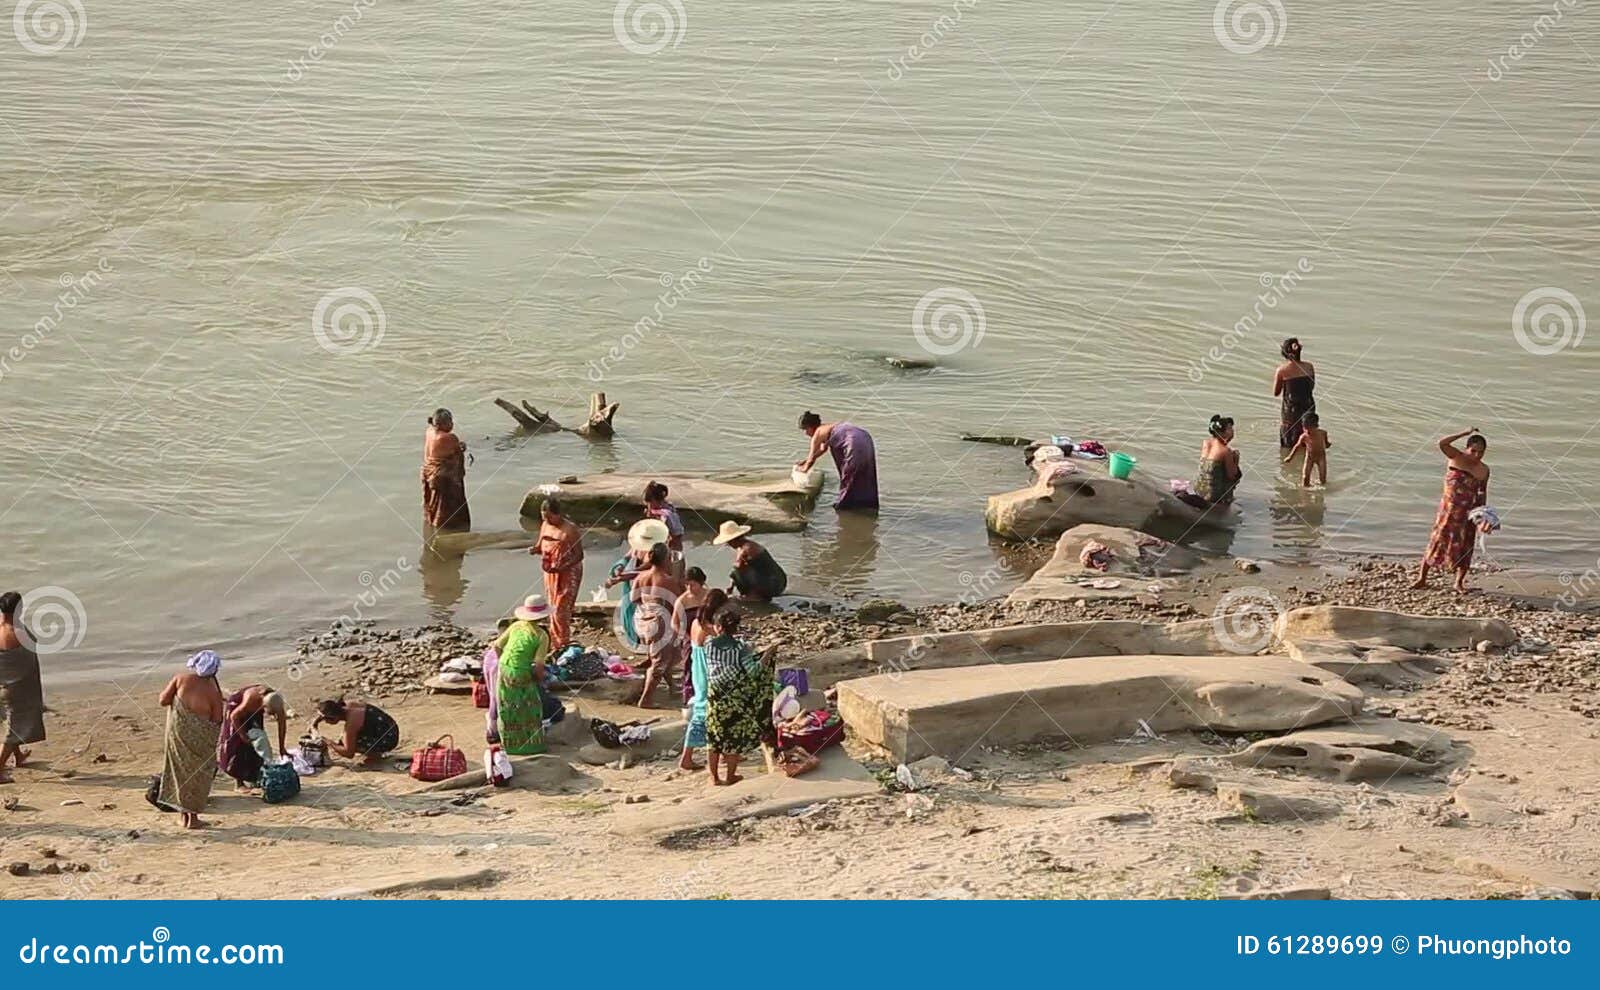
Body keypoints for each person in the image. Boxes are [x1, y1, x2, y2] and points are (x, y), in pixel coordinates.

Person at [1414, 429, 1491, 594]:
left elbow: (1482, 493)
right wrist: (1464, 433)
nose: (1477, 455)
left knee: (1465, 545)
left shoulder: (1484, 470)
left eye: (1481, 452)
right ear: (1466, 448)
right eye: (1473, 451)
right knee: (1437, 541)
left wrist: (1482, 516)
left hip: (1468, 513)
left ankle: (1458, 583)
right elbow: (1442, 443)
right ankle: (1422, 578)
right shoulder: (1456, 457)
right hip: (1448, 510)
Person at [157, 650, 225, 829]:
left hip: (178, 734)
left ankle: (183, 817)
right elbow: (217, 719)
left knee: (180, 771)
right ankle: (192, 818)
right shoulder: (213, 691)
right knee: (198, 775)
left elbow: (163, 700)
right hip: (201, 741)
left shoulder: (180, 679)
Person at [702, 609, 771, 787]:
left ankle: (714, 777)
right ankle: (730, 776)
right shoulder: (741, 647)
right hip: (735, 697)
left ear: (718, 627)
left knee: (714, 736)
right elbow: (753, 672)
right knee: (733, 737)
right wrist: (767, 654)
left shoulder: (708, 644)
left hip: (715, 695)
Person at [489, 597, 550, 754]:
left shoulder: (516, 625)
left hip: (504, 668)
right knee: (530, 708)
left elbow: (497, 646)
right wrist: (538, 680)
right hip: (521, 671)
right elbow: (539, 665)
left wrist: (504, 662)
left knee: (507, 706)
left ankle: (509, 744)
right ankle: (530, 746)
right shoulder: (541, 635)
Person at [632, 542, 686, 708]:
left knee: (663, 657)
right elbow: (679, 603)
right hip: (660, 623)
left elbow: (634, 599)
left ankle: (672, 687)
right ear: (666, 560)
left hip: (643, 621)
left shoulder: (640, 577)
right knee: (659, 662)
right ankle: (646, 699)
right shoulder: (667, 581)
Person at [0, 592, 45, 785]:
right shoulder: (17, 632)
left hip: (4, 684)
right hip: (17, 687)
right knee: (15, 728)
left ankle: (18, 756)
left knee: (12, 721)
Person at [796, 411, 880, 510]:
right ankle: (867, 503)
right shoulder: (828, 427)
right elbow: (822, 449)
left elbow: (811, 460)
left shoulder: (817, 434)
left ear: (811, 427)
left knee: (849, 474)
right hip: (865, 438)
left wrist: (803, 469)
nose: (806, 433)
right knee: (866, 471)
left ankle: (845, 505)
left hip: (853, 441)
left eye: (806, 429)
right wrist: (805, 461)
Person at [675, 577, 717, 772]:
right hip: (706, 669)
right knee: (706, 711)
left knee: (703, 709)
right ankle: (689, 757)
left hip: (698, 668)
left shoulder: (695, 623)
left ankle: (689, 756)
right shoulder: (708, 628)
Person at [217, 684, 289, 789]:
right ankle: (239, 783)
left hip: (254, 708)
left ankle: (254, 778)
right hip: (237, 709)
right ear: (264, 706)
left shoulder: (276, 702)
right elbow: (234, 716)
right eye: (270, 713)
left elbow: (282, 725)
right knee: (237, 743)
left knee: (258, 740)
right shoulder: (251, 700)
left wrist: (282, 748)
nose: (272, 716)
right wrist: (243, 736)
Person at [534, 498, 583, 650]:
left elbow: (579, 555)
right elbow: (540, 545)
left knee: (561, 609)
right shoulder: (545, 525)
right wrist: (534, 550)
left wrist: (562, 567)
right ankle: (556, 641)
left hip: (568, 572)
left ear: (559, 514)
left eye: (550, 517)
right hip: (551, 572)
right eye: (544, 517)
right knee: (552, 606)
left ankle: (563, 642)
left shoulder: (570, 529)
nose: (547, 520)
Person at [421, 408, 471, 531]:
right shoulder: (449, 437)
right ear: (441, 424)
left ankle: (432, 529)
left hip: (428, 473)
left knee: (433, 505)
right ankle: (448, 530)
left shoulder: (429, 431)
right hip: (442, 476)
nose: (452, 425)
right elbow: (456, 451)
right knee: (446, 510)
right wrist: (461, 448)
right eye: (449, 422)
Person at [713, 521, 788, 600]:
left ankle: (754, 596)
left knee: (738, 571)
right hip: (780, 581)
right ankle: (755, 593)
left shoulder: (746, 549)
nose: (728, 545)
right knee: (739, 571)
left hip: (774, 585)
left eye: (728, 542)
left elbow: (738, 568)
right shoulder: (747, 545)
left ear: (732, 540)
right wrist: (730, 587)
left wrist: (730, 588)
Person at [314, 697, 400, 763]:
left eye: (325, 719)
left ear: (334, 718)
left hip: (388, 739)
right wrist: (316, 722)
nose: (325, 722)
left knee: (345, 744)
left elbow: (349, 753)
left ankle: (375, 755)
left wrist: (327, 742)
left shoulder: (351, 724)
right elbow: (329, 709)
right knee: (344, 740)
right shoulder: (348, 704)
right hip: (389, 728)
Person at [1272, 338, 1316, 448]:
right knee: (1308, 437)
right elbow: (1311, 387)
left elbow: (1276, 392)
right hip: (1308, 406)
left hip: (1291, 410)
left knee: (1289, 442)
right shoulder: (1309, 367)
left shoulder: (1281, 370)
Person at [1193, 415, 1243, 507]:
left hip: (1199, 489)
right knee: (1238, 474)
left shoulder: (1206, 443)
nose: (1233, 431)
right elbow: (1232, 476)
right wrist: (1236, 459)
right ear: (1221, 432)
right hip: (1213, 495)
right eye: (1230, 429)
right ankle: (1226, 499)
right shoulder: (1225, 451)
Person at [1282, 412, 1331, 488]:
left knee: (1322, 479)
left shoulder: (1322, 433)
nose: (1306, 431)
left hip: (1321, 458)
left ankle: (1321, 492)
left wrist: (1328, 444)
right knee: (1305, 477)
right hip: (1309, 458)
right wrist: (1290, 457)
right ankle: (1305, 491)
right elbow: (1297, 446)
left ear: (1316, 426)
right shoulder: (1304, 437)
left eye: (1309, 429)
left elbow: (1326, 442)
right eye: (1304, 428)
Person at [643, 481, 686, 553]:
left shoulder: (666, 514)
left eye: (650, 503)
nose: (649, 506)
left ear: (658, 500)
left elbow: (674, 534)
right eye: (647, 504)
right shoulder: (665, 507)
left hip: (672, 544)